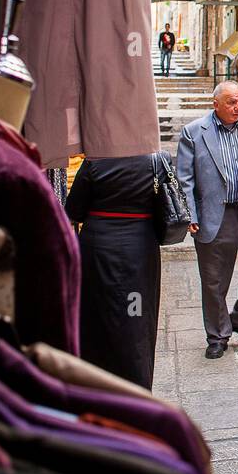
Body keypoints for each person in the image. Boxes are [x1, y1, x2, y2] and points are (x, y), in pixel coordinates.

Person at [175, 80, 238, 359]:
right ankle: (218, 335)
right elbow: (184, 180)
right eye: (231, 102)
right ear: (215, 104)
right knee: (214, 281)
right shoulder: (193, 132)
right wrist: (190, 216)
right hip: (214, 215)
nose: (237, 107)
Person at [64, 153, 164, 388]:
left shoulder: (94, 162)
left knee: (97, 314)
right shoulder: (156, 161)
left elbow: (74, 209)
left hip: (98, 247)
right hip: (140, 247)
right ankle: (138, 383)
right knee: (138, 317)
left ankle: (99, 382)